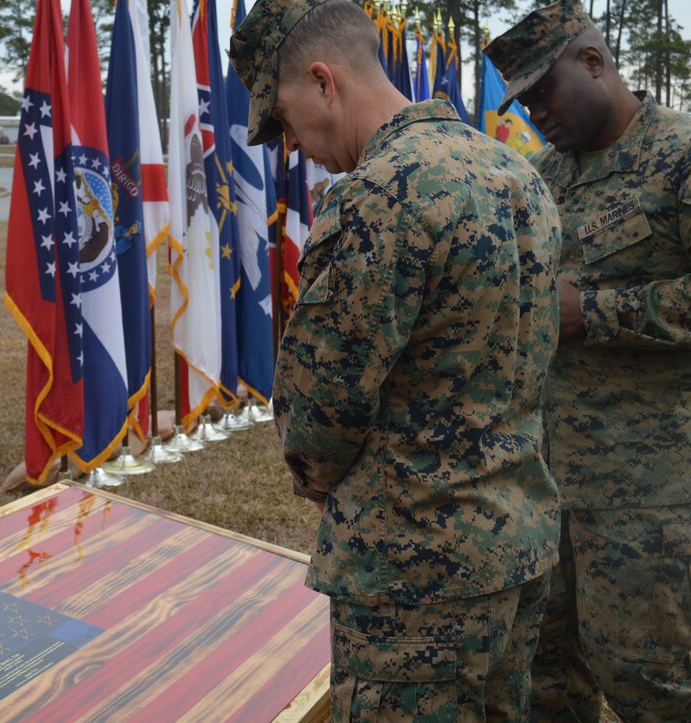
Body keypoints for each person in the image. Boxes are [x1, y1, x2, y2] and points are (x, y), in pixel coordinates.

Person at [228, 0, 562, 719]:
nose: (291, 147)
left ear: (323, 81)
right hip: (520, 547)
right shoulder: (519, 174)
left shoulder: (380, 195)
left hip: (416, 579)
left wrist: (315, 479)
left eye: (283, 120)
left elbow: (319, 413)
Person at [485, 3, 691, 720]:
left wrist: (598, 313)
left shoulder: (684, 154)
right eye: (524, 101)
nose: (537, 111)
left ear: (593, 61)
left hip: (649, 490)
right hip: (544, 485)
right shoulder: (542, 176)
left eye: (545, 90)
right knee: (544, 680)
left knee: (652, 684)